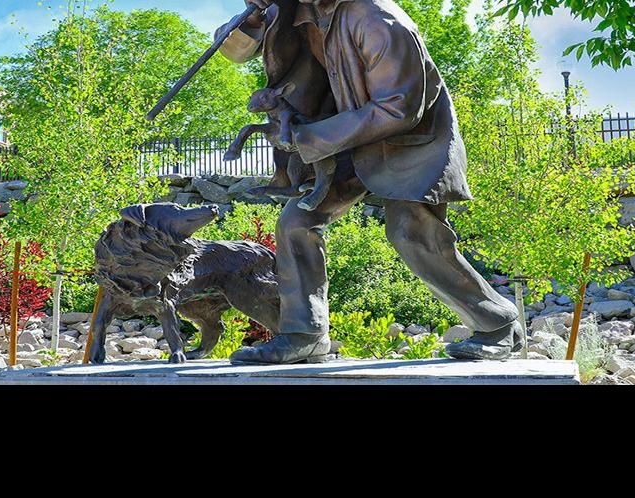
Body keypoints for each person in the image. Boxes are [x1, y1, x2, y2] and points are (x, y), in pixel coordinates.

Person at [216, 0, 523, 364]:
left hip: (407, 139)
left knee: (411, 230)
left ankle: (498, 325)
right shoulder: (297, 10)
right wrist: (250, 23)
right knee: (296, 221)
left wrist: (310, 138)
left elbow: (399, 106)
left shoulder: (377, 18)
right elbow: (236, 52)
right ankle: (304, 334)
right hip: (346, 132)